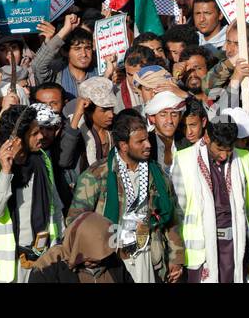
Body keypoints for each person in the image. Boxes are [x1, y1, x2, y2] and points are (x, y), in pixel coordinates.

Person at [67, 109, 183, 283]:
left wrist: (176, 259)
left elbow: (171, 219)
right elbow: (76, 222)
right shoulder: (96, 175)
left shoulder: (156, 174)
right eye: (140, 141)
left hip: (149, 257)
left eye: (147, 139)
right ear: (123, 145)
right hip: (111, 261)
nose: (148, 145)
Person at [0, 105, 63, 282]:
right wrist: (6, 171)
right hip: (10, 268)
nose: (41, 136)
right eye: (34, 134)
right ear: (16, 139)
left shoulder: (42, 160)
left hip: (43, 258)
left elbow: (55, 206)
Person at [171, 117, 249, 283]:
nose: (224, 155)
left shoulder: (244, 158)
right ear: (207, 138)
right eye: (219, 149)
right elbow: (178, 214)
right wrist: (177, 256)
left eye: (229, 149)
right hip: (199, 251)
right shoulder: (184, 159)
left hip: (235, 245)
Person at [29, 211, 131, 283]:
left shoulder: (113, 262)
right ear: (80, 245)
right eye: (93, 256)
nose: (98, 261)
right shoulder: (48, 267)